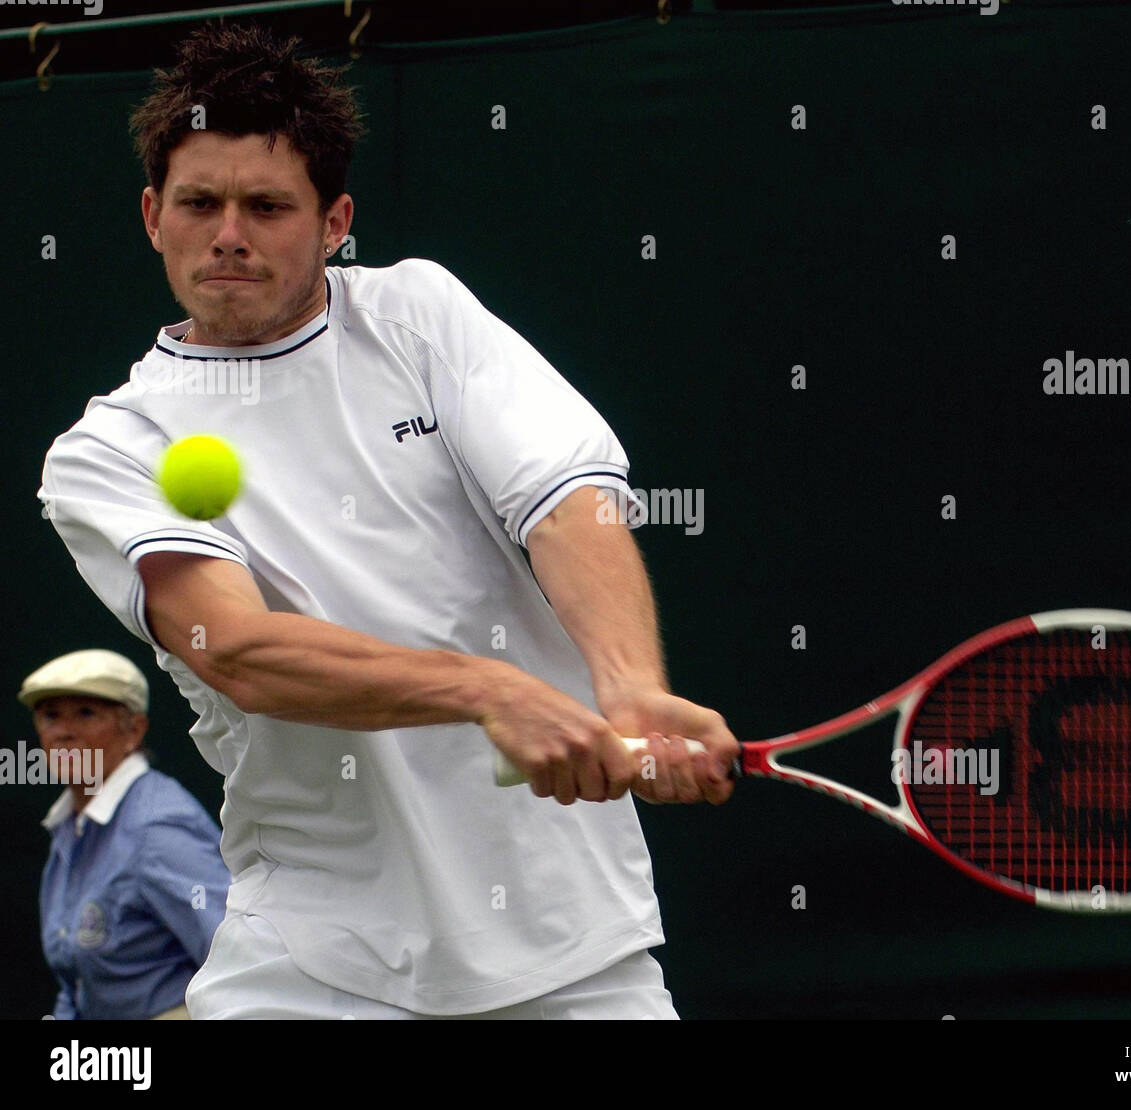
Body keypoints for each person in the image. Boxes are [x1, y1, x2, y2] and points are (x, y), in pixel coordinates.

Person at [36, 23, 738, 1019]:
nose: (228, 232)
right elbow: (234, 649)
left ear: (334, 223)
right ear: (153, 215)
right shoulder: (108, 448)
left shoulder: (421, 316)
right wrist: (487, 687)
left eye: (267, 206)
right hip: (309, 962)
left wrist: (630, 690)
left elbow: (565, 496)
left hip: (574, 952)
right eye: (200, 203)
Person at [19, 649, 229, 1020]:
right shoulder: (70, 825)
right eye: (50, 715)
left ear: (133, 730)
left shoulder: (157, 827)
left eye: (86, 713)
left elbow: (231, 956)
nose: (64, 731)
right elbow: (75, 980)